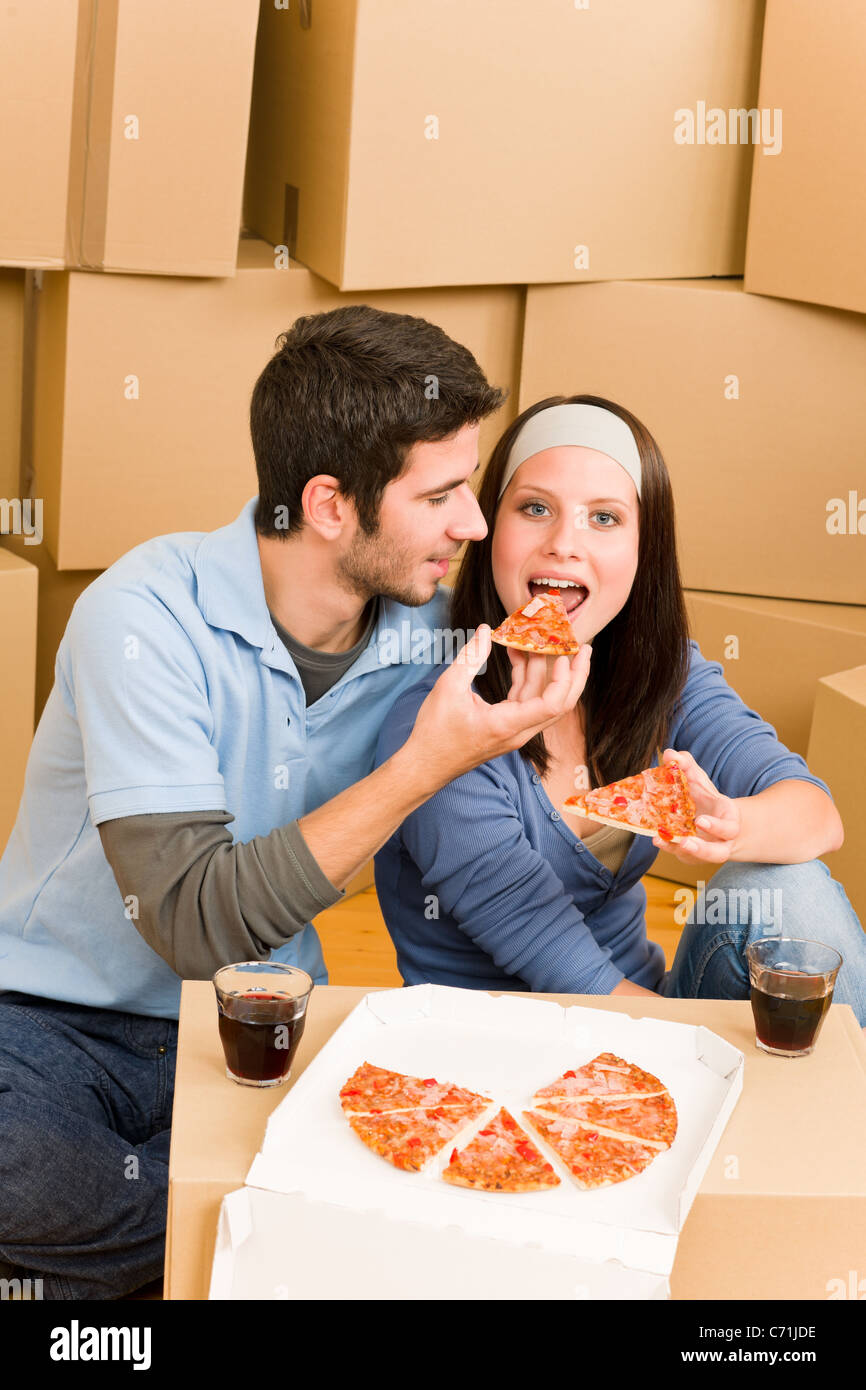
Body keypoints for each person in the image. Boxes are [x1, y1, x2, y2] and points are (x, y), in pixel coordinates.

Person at [0, 308, 586, 1299]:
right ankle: (288, 1245)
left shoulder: (436, 620)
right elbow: (191, 923)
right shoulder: (141, 617)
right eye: (441, 494)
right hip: (57, 1023)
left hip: (273, 1021)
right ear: (327, 504)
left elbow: (620, 622)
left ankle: (224, 1251)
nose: (474, 525)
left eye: (474, 489)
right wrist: (422, 765)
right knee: (21, 1177)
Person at [373, 394, 866, 1026]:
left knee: (787, 887)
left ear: (643, 552)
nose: (563, 545)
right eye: (535, 508)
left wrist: (727, 828)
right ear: (488, 527)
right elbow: (563, 964)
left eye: (603, 519)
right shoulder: (438, 723)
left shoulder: (663, 674)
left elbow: (817, 815)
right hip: (496, 1051)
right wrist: (720, 1063)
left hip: (650, 1012)